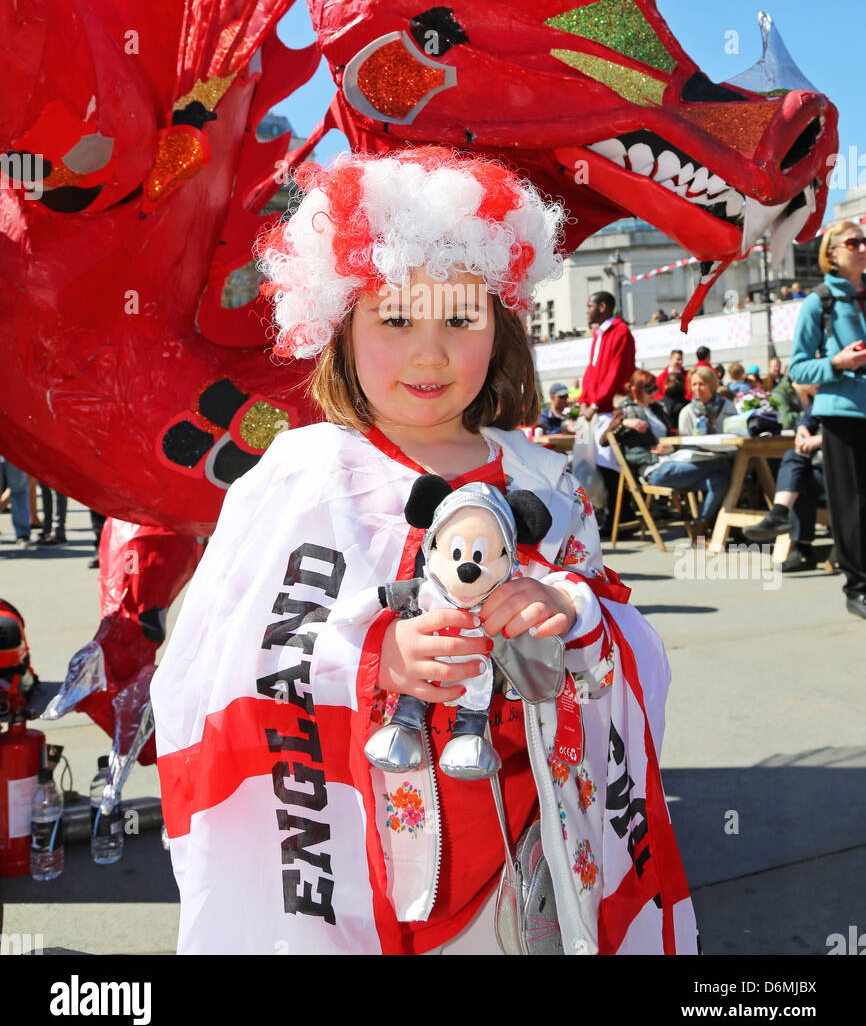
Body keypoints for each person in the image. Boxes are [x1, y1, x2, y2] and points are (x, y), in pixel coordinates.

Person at [150, 148, 696, 956]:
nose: (430, 353)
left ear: (502, 326)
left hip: (527, 851)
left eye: (460, 320)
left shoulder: (545, 477)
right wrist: (371, 657)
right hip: (350, 862)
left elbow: (627, 639)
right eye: (396, 319)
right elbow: (212, 666)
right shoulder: (304, 477)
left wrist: (571, 616)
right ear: (340, 326)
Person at [789, 220, 866, 619]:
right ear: (831, 253)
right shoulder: (818, 302)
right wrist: (837, 363)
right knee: (851, 504)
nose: (862, 248)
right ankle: (857, 588)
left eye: (864, 241)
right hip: (842, 414)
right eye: (853, 242)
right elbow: (798, 369)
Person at [642, 367, 738, 539]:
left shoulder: (727, 407)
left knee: (718, 482)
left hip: (706, 466)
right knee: (723, 468)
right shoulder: (687, 411)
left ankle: (699, 527)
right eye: (694, 384)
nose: (697, 389)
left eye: (702, 384)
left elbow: (735, 435)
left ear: (712, 385)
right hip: (680, 466)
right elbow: (684, 445)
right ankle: (706, 525)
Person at [578, 291, 637, 532]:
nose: (587, 310)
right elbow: (592, 370)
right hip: (594, 408)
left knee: (607, 464)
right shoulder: (599, 333)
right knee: (589, 464)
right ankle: (606, 515)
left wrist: (595, 403)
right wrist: (584, 398)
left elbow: (615, 373)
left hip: (607, 409)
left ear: (602, 306)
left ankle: (620, 517)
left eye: (590, 305)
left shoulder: (620, 332)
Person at [743, 413, 823, 571]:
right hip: (825, 464)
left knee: (798, 473)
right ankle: (800, 547)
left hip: (849, 466)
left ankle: (780, 517)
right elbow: (812, 415)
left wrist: (822, 439)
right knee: (796, 469)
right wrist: (802, 428)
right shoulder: (828, 394)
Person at [615, 371, 668, 474]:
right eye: (649, 390)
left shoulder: (658, 408)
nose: (653, 393)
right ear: (635, 390)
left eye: (655, 388)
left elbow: (672, 434)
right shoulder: (625, 408)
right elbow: (604, 438)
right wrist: (624, 423)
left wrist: (671, 447)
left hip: (666, 459)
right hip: (648, 466)